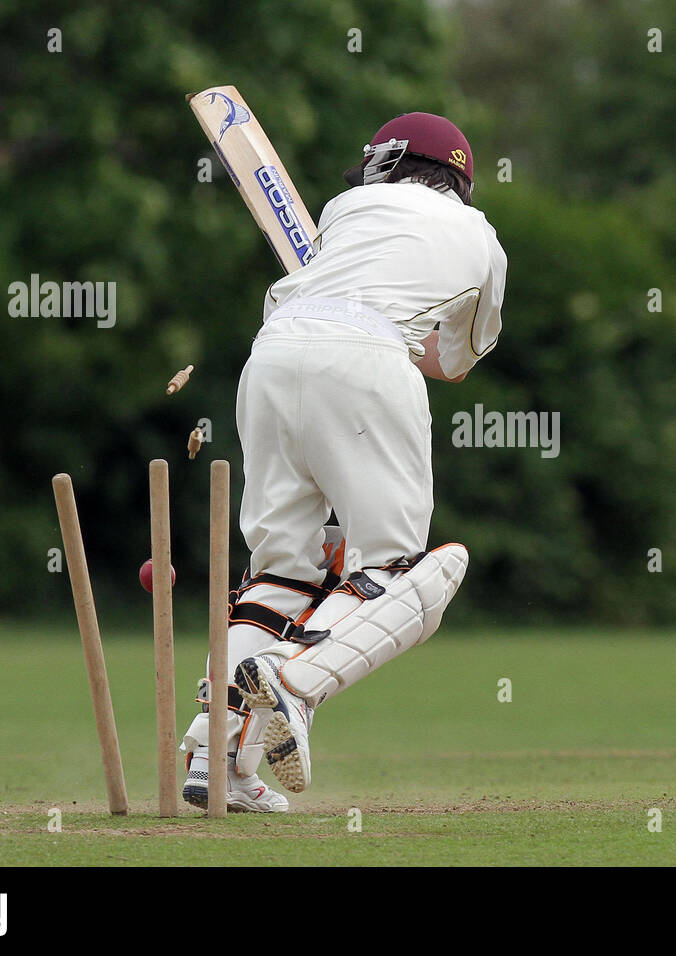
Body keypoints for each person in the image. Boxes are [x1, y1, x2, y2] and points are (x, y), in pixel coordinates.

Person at [179, 112, 507, 810]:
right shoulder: (480, 239)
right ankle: (295, 684)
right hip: (368, 361)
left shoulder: (344, 209)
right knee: (403, 574)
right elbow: (451, 363)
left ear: (384, 164)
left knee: (280, 572)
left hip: (270, 355)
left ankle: (219, 758)